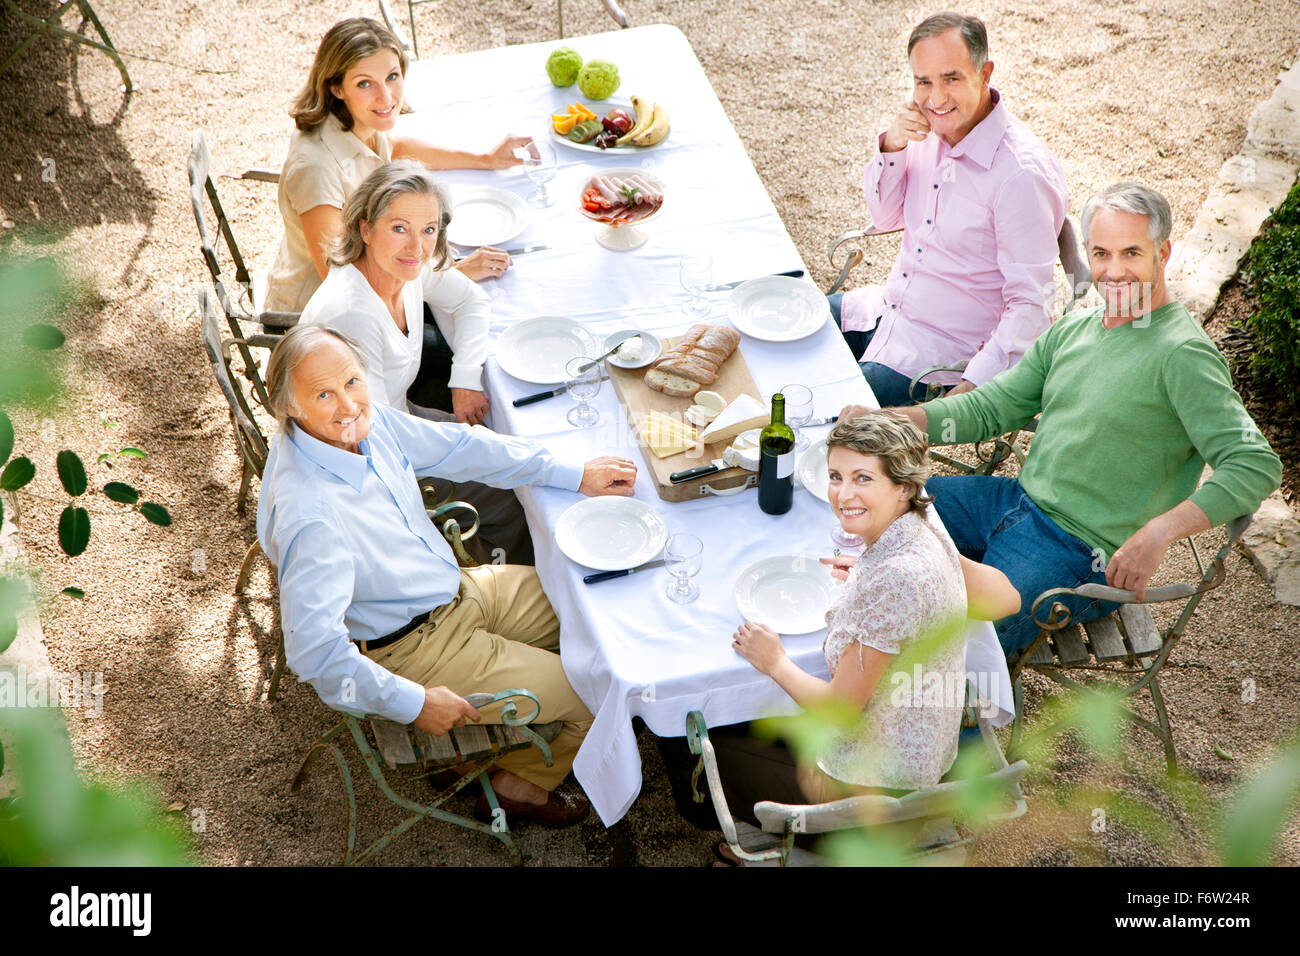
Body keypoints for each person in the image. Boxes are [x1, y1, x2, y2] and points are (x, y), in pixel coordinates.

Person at [843, 183, 1283, 655]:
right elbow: (993, 407)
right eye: (1101, 254)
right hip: (1012, 503)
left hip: (1076, 551)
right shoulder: (1076, 328)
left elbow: (1255, 464)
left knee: (956, 644)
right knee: (871, 514)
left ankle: (918, 712)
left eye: (1131, 253)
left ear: (1164, 252)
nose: (1114, 272)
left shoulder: (1183, 355)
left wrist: (1158, 533)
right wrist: (896, 420)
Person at [256, 324, 638, 826]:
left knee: (599, 607)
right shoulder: (313, 517)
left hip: (460, 589)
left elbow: (462, 449)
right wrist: (414, 704)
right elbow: (316, 656)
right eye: (323, 394)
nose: (348, 404)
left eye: (352, 381)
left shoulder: (367, 428)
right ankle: (518, 782)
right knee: (599, 695)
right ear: (290, 408)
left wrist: (574, 473)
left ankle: (478, 752)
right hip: (414, 648)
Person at [659, 413, 1020, 840]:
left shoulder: (896, 580)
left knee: (680, 735)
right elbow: (1002, 597)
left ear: (903, 487)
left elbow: (841, 711)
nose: (843, 494)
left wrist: (774, 661)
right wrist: (868, 568)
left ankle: (761, 838)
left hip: (871, 797)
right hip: (911, 755)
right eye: (836, 476)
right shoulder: (923, 528)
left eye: (863, 479)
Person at [833, 12, 1068, 407]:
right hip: (883, 311)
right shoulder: (924, 131)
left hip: (937, 361)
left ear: (985, 72)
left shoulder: (1020, 176)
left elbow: (1032, 306)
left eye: (951, 78)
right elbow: (884, 218)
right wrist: (892, 145)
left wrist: (969, 392)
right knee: (781, 334)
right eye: (923, 81)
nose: (936, 99)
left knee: (827, 414)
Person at [264, 17, 529, 315]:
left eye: (392, 76)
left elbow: (398, 148)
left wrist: (485, 159)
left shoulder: (359, 120)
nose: (386, 97)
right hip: (320, 319)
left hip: (379, 282)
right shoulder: (315, 168)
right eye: (365, 83)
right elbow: (343, 279)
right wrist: (454, 275)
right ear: (336, 87)